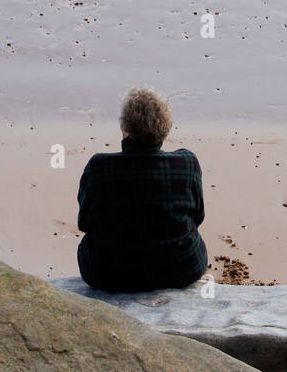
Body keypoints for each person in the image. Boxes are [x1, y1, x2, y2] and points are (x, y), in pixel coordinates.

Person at [76, 87, 208, 292]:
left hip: (108, 273)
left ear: (125, 127)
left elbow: (84, 223)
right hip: (181, 268)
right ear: (165, 126)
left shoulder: (99, 167)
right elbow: (198, 216)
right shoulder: (187, 163)